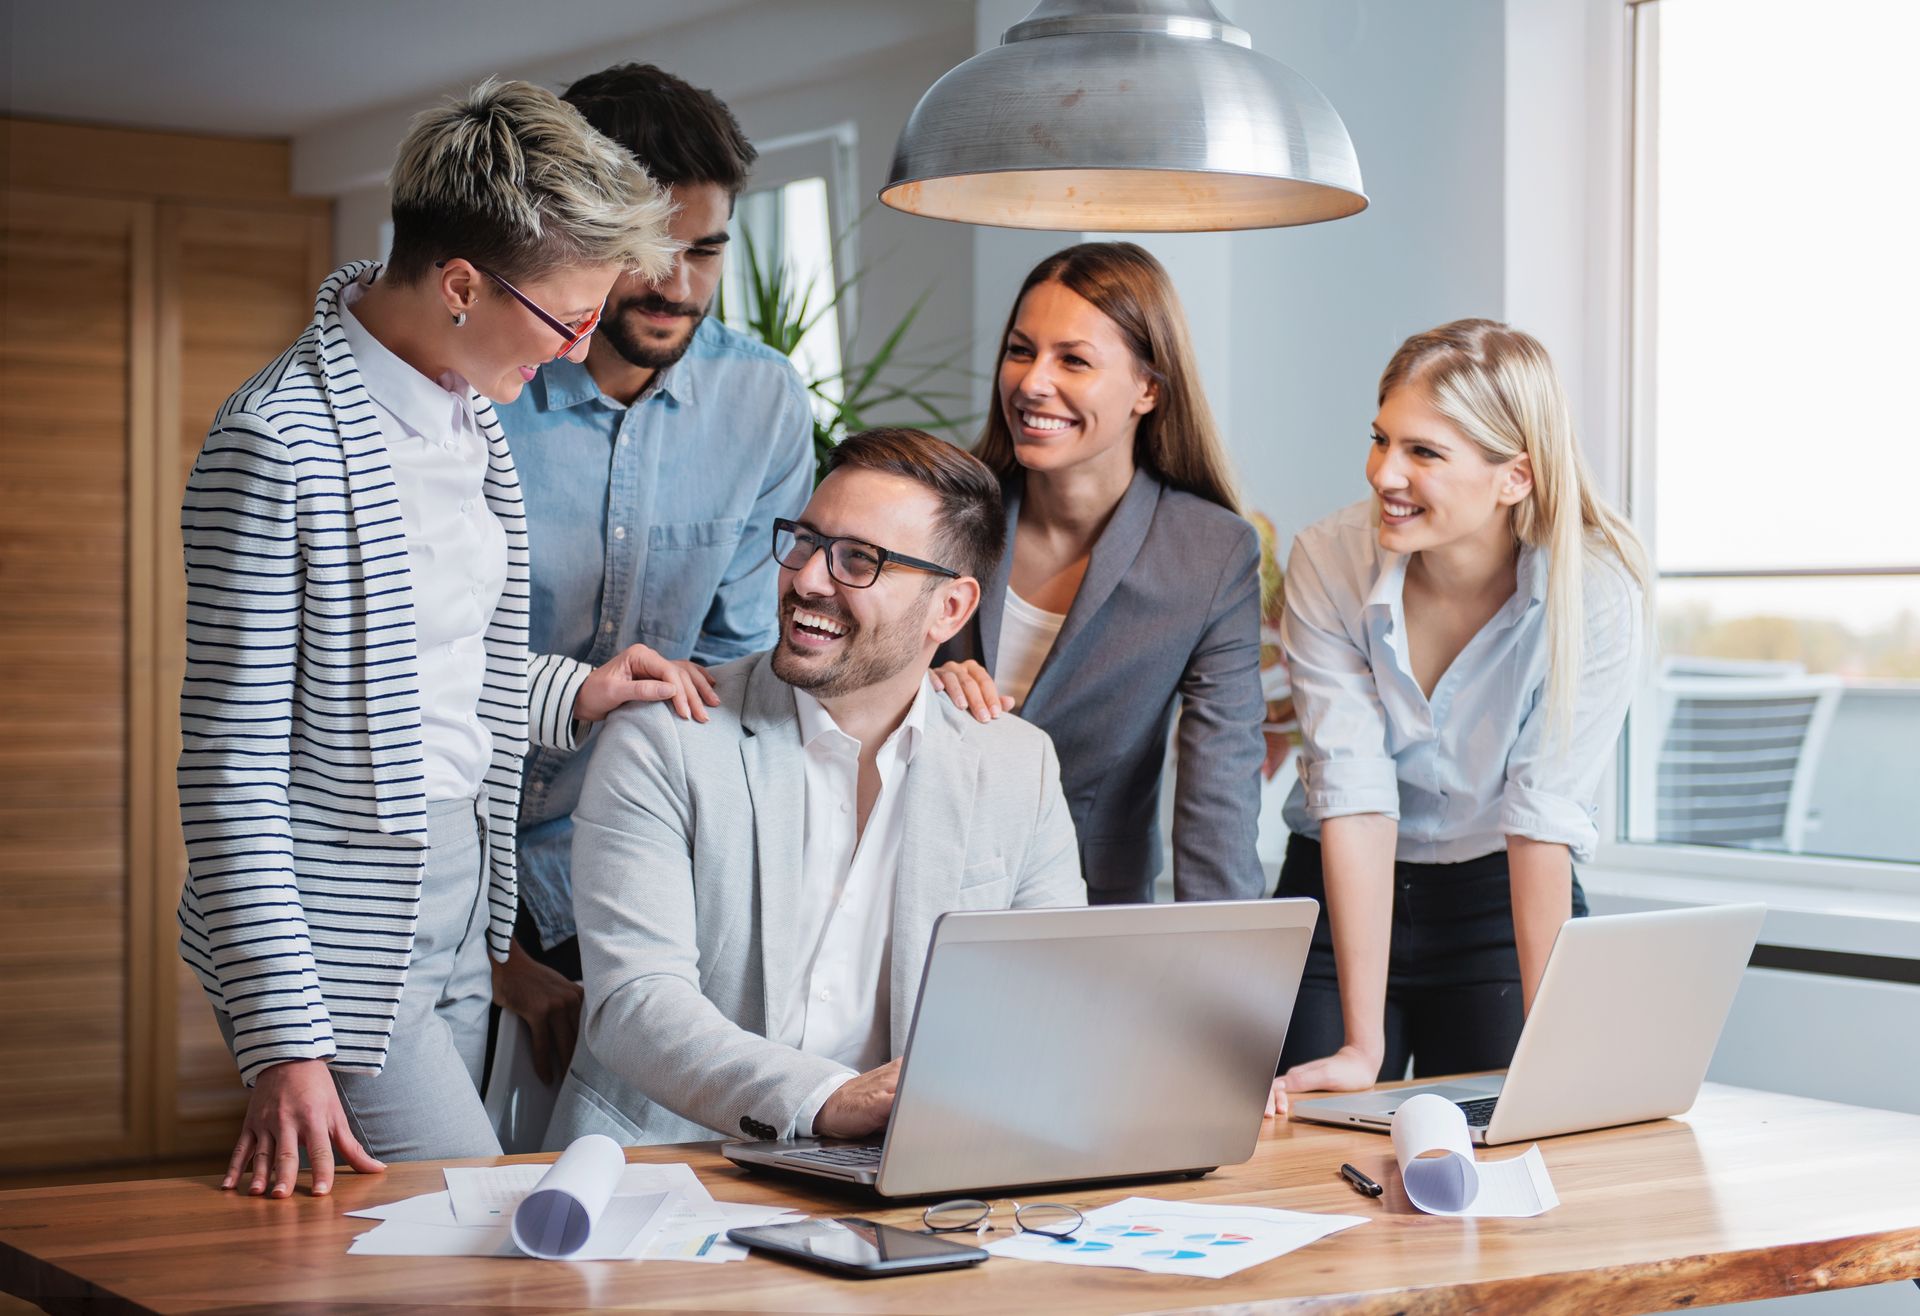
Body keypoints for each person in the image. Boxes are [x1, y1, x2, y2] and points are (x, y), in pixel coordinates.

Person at [176, 79, 706, 1199]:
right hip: (338, 933)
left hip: (469, 900)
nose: (574, 353)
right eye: (567, 318)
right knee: (469, 1228)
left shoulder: (466, 410)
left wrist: (580, 690)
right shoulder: (275, 442)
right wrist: (284, 1038)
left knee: (403, 1245)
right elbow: (231, 770)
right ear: (461, 283)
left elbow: (426, 677)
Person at [546, 430, 1087, 1146]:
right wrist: (827, 1100)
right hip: (668, 1167)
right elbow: (636, 1003)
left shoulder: (1017, 764)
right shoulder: (666, 736)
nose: (807, 579)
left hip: (904, 1169)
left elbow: (1052, 1001)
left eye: (859, 561)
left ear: (950, 611)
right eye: (804, 541)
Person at [491, 63, 813, 1085]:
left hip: (632, 866)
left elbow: (734, 669)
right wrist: (490, 954)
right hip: (445, 888)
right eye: (647, 251)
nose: (678, 284)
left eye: (707, 248)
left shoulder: (763, 404)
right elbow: (410, 688)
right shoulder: (482, 393)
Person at [1268, 319, 1649, 1117]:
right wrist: (1359, 1047)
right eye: (1381, 440)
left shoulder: (1597, 593)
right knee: (1301, 1137)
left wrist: (1554, 1055)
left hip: (1498, 901)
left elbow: (1541, 820)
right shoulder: (1329, 560)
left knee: (1515, 1145)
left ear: (1514, 476)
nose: (1384, 473)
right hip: (1340, 893)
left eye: (1424, 453)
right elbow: (1355, 793)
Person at [932, 242, 1266, 905]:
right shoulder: (940, 512)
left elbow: (1218, 803)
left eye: (1073, 360)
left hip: (1091, 913)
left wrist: (1226, 982)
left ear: (1149, 387)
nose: (1031, 383)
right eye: (1021, 350)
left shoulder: (1210, 555)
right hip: (911, 882)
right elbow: (840, 700)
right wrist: (914, 690)